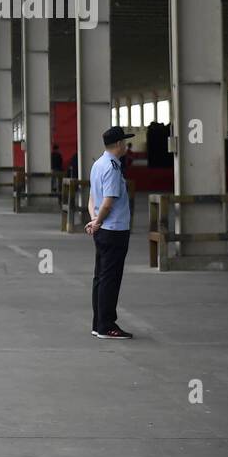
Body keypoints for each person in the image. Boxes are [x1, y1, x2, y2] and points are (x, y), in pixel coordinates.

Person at [87, 126, 134, 339]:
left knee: (100, 277)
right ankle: (107, 326)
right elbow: (108, 202)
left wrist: (94, 221)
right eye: (124, 142)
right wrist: (99, 220)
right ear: (118, 145)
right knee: (110, 279)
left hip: (102, 229)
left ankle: (98, 323)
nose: (126, 145)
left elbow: (92, 200)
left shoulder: (98, 164)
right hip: (114, 230)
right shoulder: (113, 167)